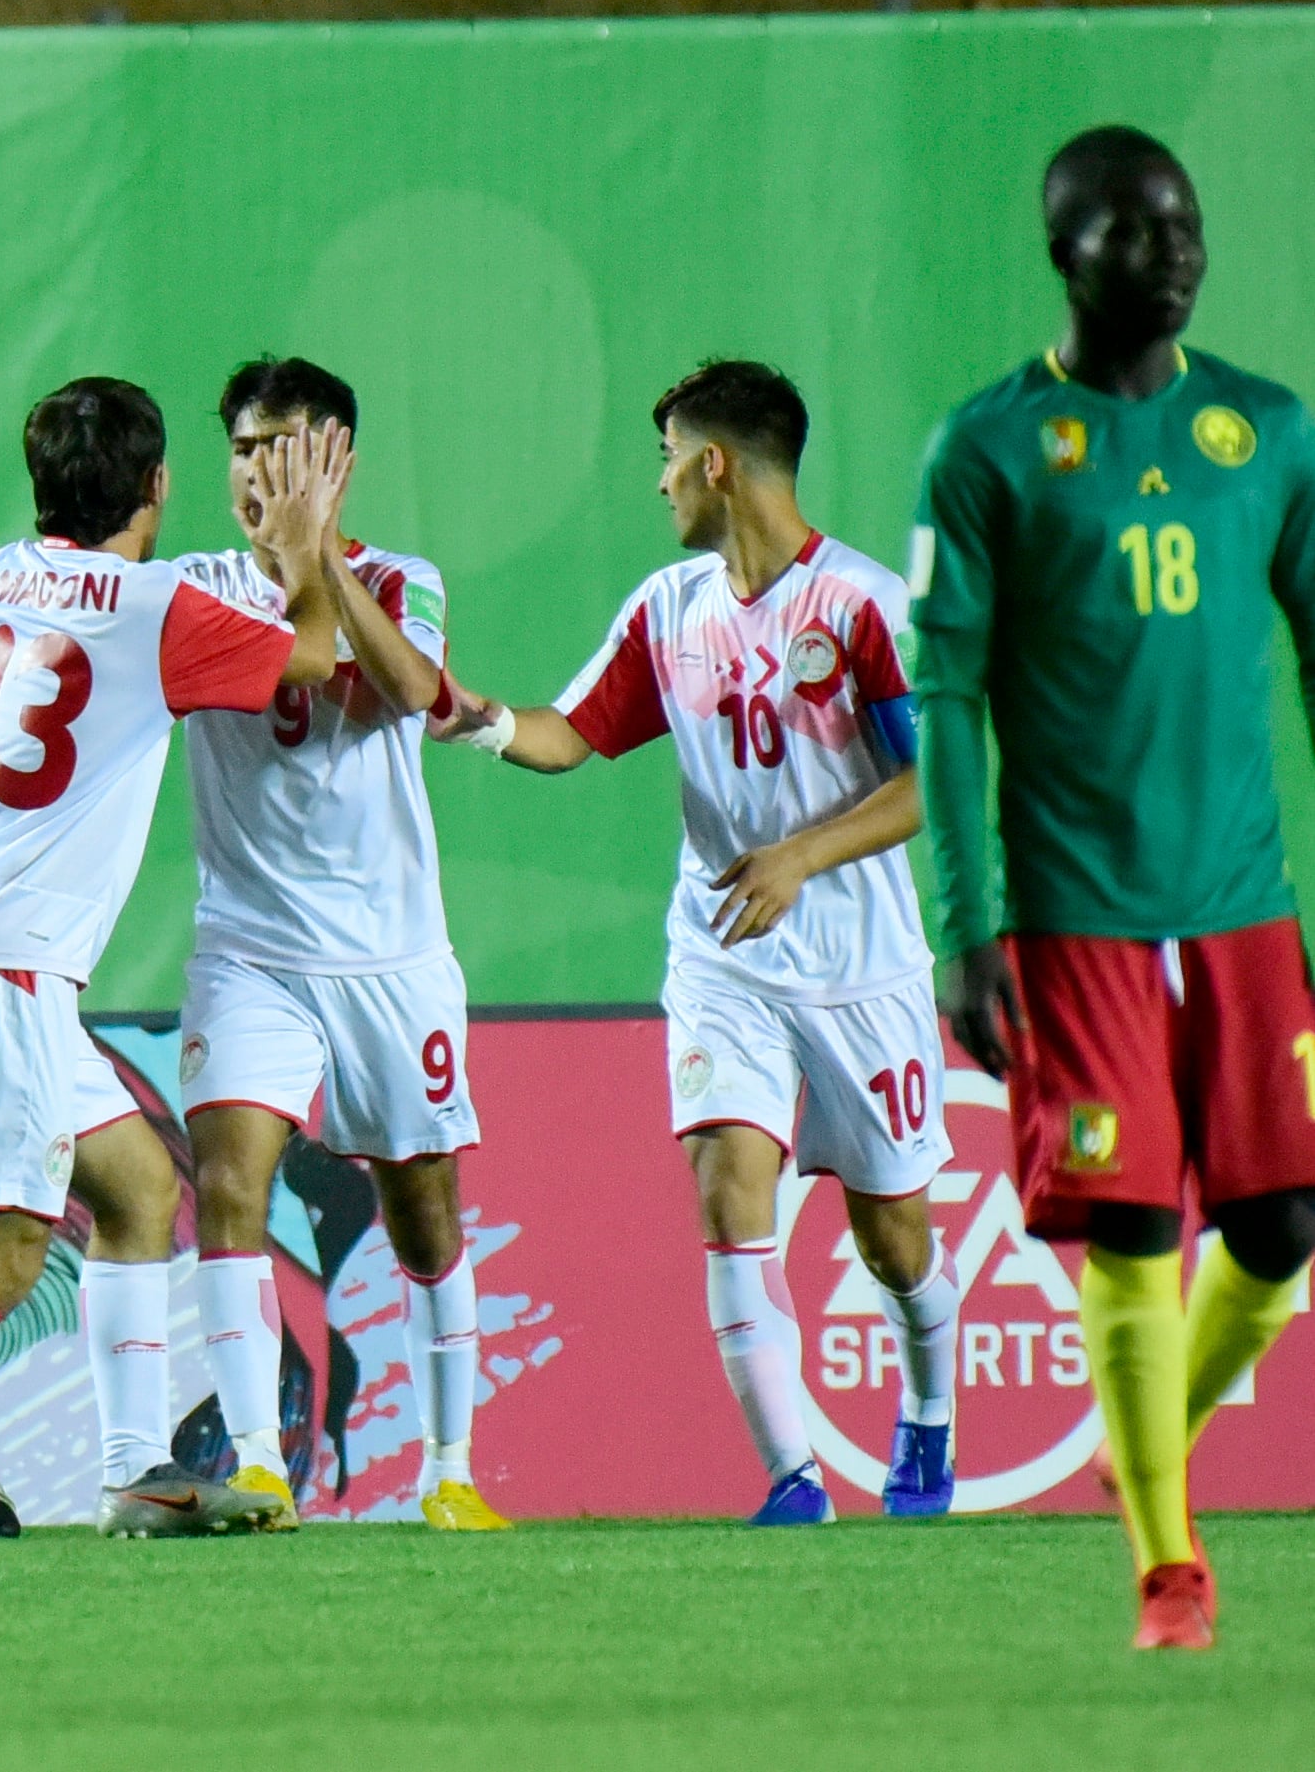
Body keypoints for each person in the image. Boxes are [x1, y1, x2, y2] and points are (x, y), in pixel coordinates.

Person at [0, 377, 339, 1544]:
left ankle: (136, 1470)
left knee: (138, 1190)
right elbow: (313, 660)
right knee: (3, 1243)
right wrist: (301, 547)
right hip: (1, 964)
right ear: (154, 486)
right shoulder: (156, 605)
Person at [436, 361, 961, 1528]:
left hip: (858, 974)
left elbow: (942, 781)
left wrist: (797, 857)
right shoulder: (666, 609)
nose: (657, 481)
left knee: (894, 1238)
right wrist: (475, 720)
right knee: (729, 1189)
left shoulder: (863, 607)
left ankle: (927, 1413)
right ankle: (793, 1480)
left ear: (714, 463)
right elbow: (570, 735)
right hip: (722, 962)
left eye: (666, 455)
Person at [914, 127, 1315, 1650]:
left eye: (1186, 221)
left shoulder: (1268, 433)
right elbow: (946, 697)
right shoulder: (991, 447)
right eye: (1138, 230)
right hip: (1076, 918)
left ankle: (1146, 1436)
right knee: (1136, 1233)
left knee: (1281, 1224)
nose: (1176, 249)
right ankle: (1169, 1561)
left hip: (1243, 911)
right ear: (1066, 255)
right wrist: (971, 926)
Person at [170, 356, 503, 1531]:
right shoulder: (196, 586)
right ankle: (259, 1458)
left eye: (289, 446)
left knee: (423, 1215)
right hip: (249, 950)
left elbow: (416, 690)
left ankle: (448, 1471)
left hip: (389, 959)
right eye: (246, 447)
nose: (263, 470)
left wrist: (317, 563)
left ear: (338, 459)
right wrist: (281, 567)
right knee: (225, 1187)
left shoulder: (402, 577)